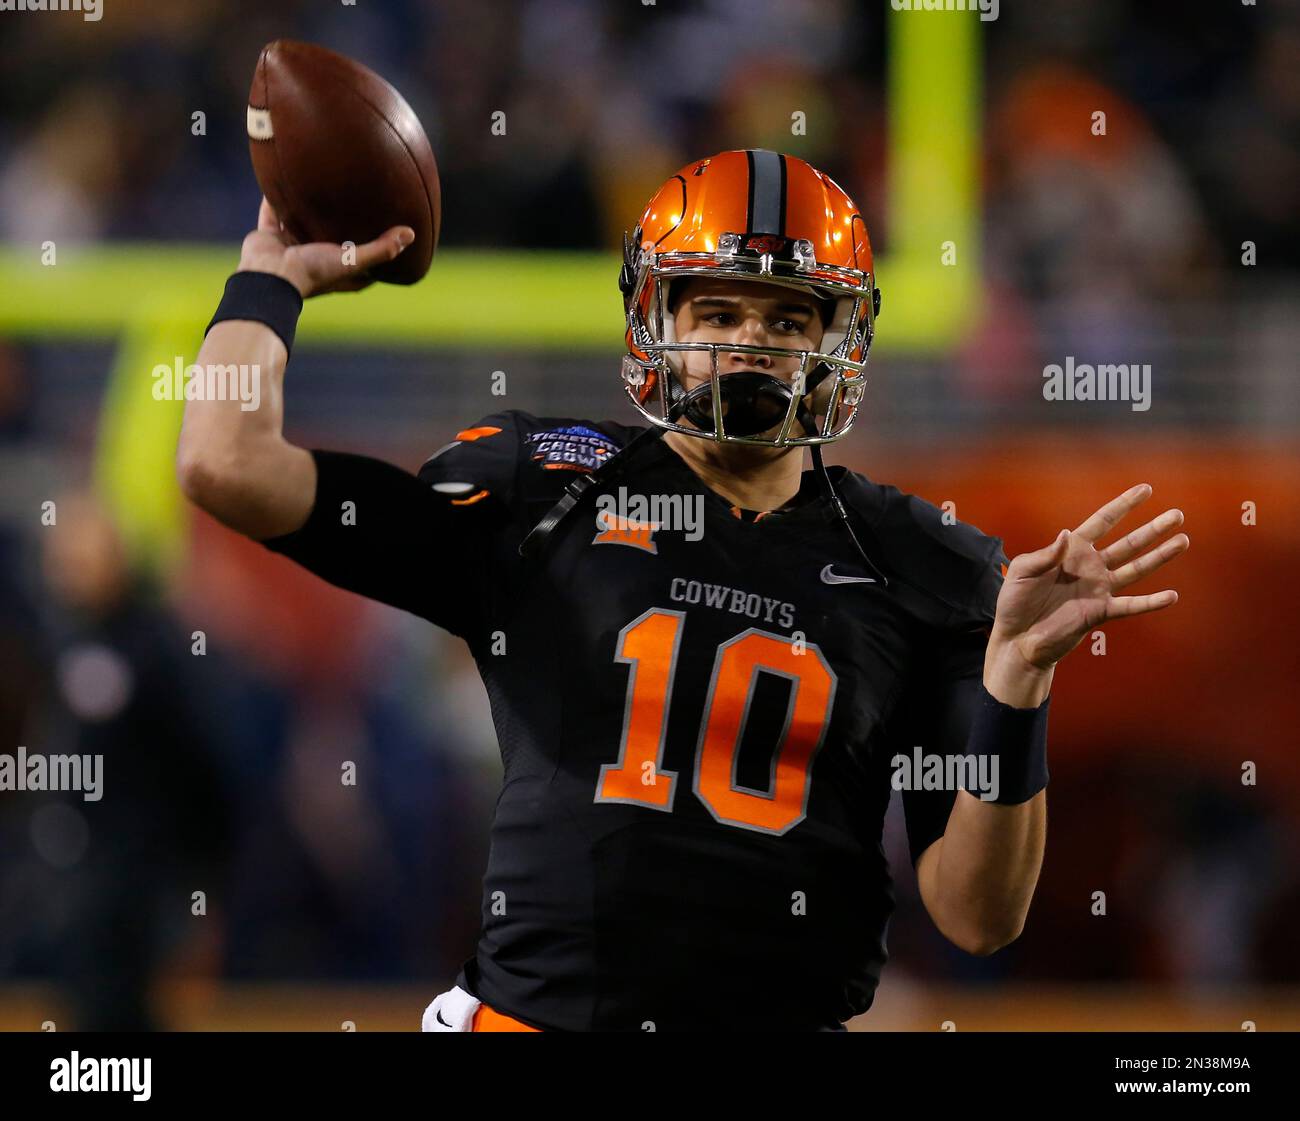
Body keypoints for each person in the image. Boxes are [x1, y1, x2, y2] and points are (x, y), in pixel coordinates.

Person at [177, 148, 1188, 1032]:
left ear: (839, 340)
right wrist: (267, 281)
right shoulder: (543, 486)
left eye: (787, 315)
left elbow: (978, 914)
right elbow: (225, 463)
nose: (748, 340)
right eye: (716, 308)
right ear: (653, 317)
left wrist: (1015, 687)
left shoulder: (925, 562)